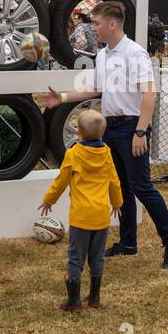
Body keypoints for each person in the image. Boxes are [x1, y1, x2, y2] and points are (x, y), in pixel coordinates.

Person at [36, 0, 168, 271]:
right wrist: (62, 98)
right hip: (111, 128)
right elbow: (95, 89)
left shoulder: (135, 54)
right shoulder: (103, 54)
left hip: (132, 128)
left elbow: (149, 93)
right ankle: (128, 244)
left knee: (142, 188)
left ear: (112, 24)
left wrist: (141, 130)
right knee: (122, 188)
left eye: (96, 23)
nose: (92, 28)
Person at [39, 108, 123, 311]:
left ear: (79, 134)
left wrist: (49, 200)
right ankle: (94, 298)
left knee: (76, 258)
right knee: (98, 257)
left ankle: (74, 301)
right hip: (101, 216)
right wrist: (117, 203)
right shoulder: (107, 153)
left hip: (81, 218)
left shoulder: (73, 154)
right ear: (102, 134)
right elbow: (114, 181)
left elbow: (61, 181)